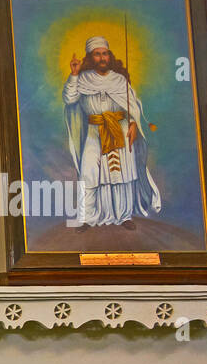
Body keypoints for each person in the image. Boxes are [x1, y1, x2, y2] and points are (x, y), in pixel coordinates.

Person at [63, 35, 161, 229]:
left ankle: (124, 216)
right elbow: (69, 99)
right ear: (91, 57)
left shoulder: (119, 80)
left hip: (120, 130)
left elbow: (131, 106)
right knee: (89, 174)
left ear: (110, 56)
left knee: (122, 174)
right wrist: (73, 74)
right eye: (97, 54)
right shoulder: (82, 79)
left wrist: (133, 123)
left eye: (105, 54)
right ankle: (87, 218)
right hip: (94, 131)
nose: (102, 58)